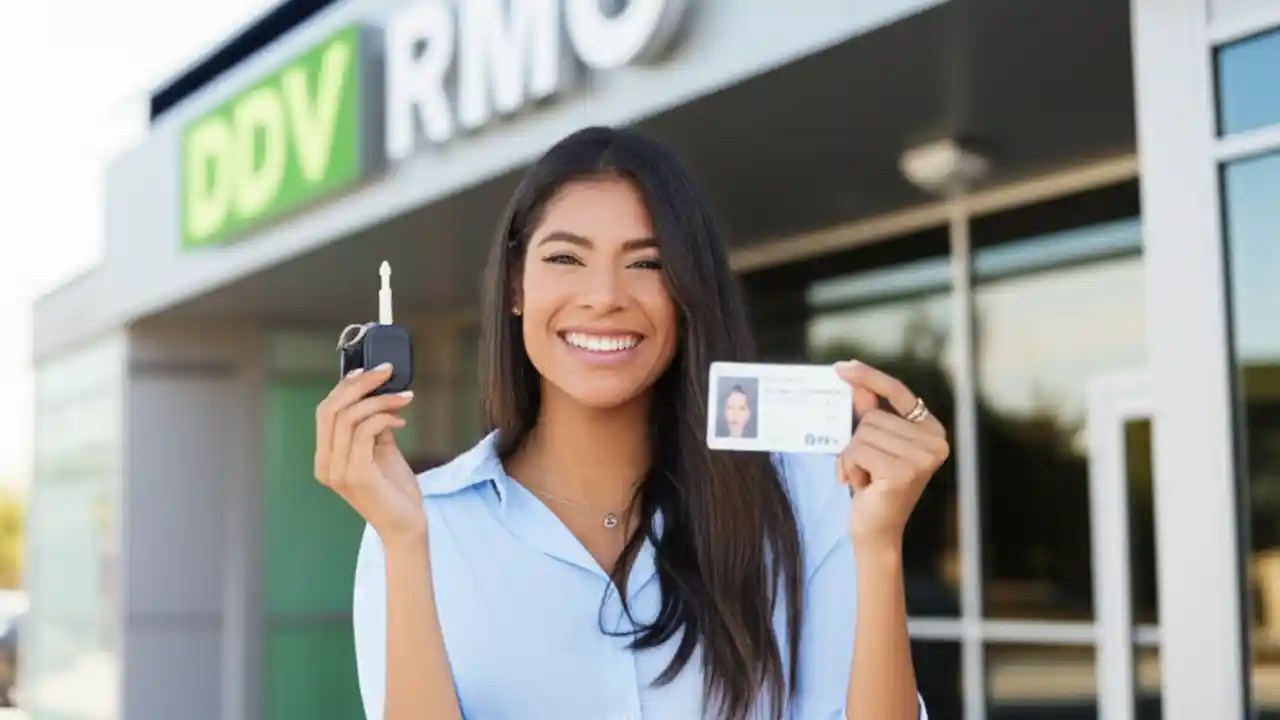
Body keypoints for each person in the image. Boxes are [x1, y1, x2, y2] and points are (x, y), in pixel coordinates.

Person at [314, 127, 949, 719]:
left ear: (687, 292)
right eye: (566, 258)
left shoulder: (805, 493)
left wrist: (880, 545)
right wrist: (404, 541)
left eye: (647, 263)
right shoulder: (420, 525)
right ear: (515, 284)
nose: (604, 296)